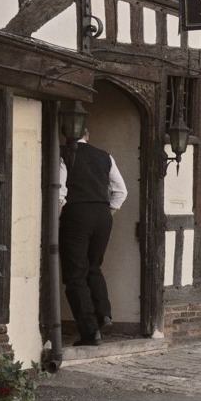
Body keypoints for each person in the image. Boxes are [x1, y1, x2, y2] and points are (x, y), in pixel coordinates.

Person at [59, 128, 127, 346]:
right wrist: (107, 212)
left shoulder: (64, 153)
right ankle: (104, 314)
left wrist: (58, 220)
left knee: (75, 275)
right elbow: (121, 191)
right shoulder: (104, 156)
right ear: (87, 135)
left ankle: (90, 333)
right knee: (94, 267)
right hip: (102, 215)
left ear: (66, 135)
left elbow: (60, 193)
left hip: (76, 214)